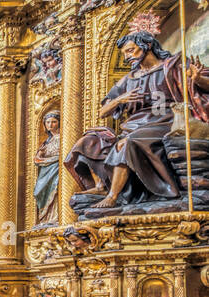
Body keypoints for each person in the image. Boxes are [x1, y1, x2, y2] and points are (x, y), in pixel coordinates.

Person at [66, 23, 209, 213]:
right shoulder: (130, 78)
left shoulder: (173, 66)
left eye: (131, 50)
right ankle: (102, 186)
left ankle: (113, 196)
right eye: (125, 53)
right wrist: (120, 99)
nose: (127, 57)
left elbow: (204, 85)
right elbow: (103, 111)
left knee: (129, 142)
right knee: (89, 141)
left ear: (147, 46)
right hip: (135, 124)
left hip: (166, 120)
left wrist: (197, 79)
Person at [33, 110, 61, 225]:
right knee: (39, 192)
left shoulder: (61, 138)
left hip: (56, 170)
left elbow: (63, 155)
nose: (50, 125)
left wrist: (48, 160)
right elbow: (37, 158)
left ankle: (55, 217)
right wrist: (41, 157)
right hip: (45, 172)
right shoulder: (46, 142)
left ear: (59, 123)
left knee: (55, 192)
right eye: (48, 122)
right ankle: (45, 218)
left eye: (54, 122)